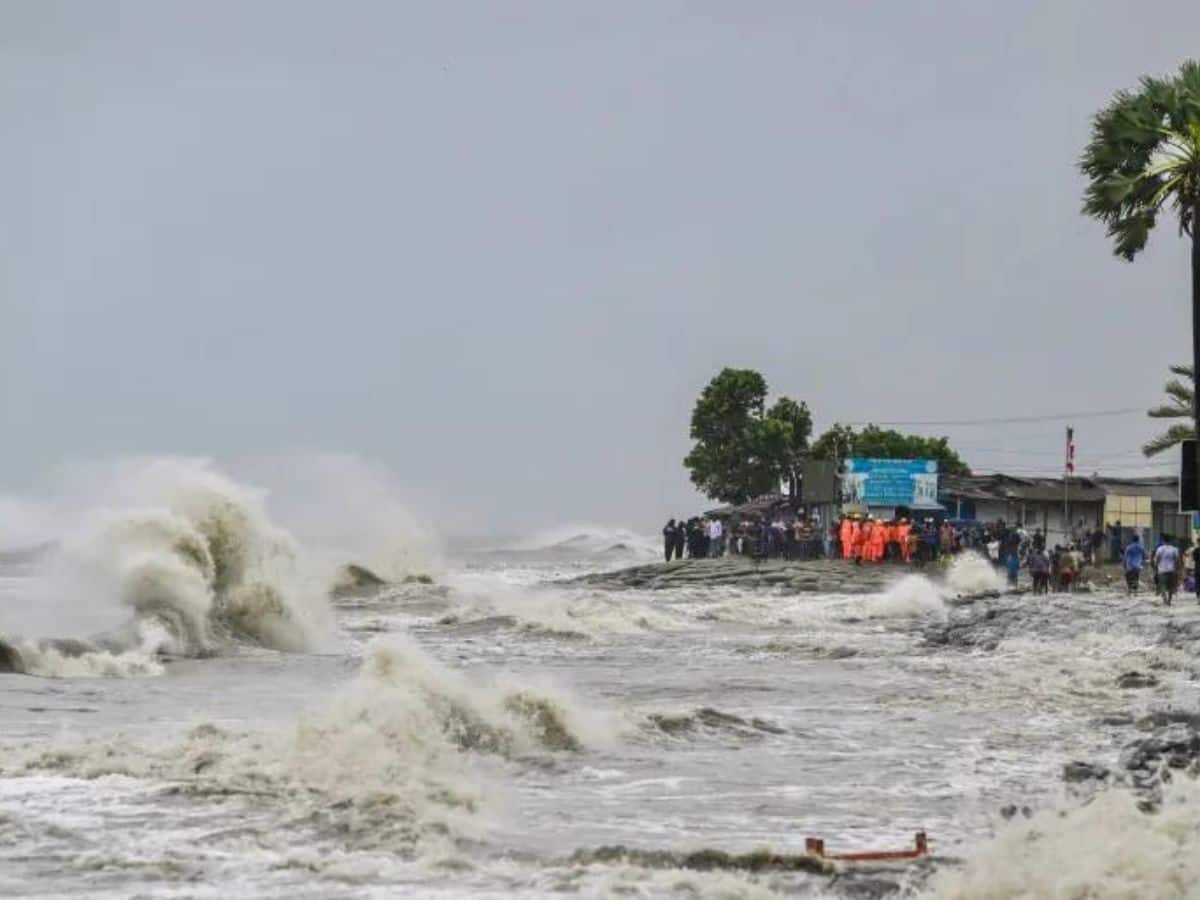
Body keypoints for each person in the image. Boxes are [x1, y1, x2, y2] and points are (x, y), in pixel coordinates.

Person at [1154, 536, 1181, 605]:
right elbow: (1177, 560)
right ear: (1170, 541)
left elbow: (1157, 559)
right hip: (1171, 570)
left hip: (1162, 570)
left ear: (1163, 541)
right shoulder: (1174, 549)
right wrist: (1177, 568)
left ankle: (1164, 599)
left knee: (1162, 585)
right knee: (1171, 586)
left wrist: (1156, 566)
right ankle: (1169, 600)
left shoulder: (1160, 549)